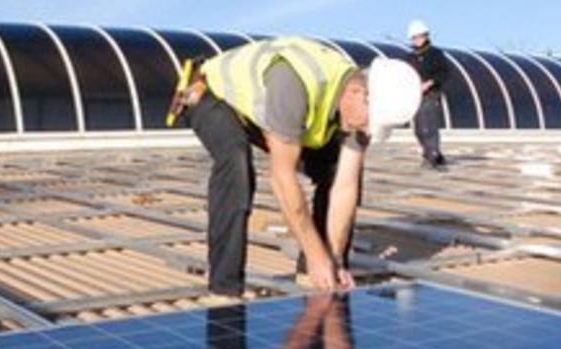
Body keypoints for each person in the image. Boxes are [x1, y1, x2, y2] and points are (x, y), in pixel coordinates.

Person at [170, 37, 420, 296]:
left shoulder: (353, 98)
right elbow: (282, 179)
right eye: (371, 122)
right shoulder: (294, 83)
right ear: (358, 94)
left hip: (270, 112)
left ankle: (319, 272)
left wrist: (331, 257)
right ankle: (224, 287)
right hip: (212, 93)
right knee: (235, 161)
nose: (368, 130)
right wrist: (315, 253)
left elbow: (345, 187)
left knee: (335, 168)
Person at [407, 19, 450, 169]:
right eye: (414, 37)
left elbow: (444, 72)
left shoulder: (435, 54)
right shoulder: (410, 57)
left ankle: (432, 155)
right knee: (419, 129)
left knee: (429, 126)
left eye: (420, 36)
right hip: (414, 95)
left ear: (426, 36)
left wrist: (429, 83)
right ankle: (434, 154)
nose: (417, 40)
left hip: (430, 94)